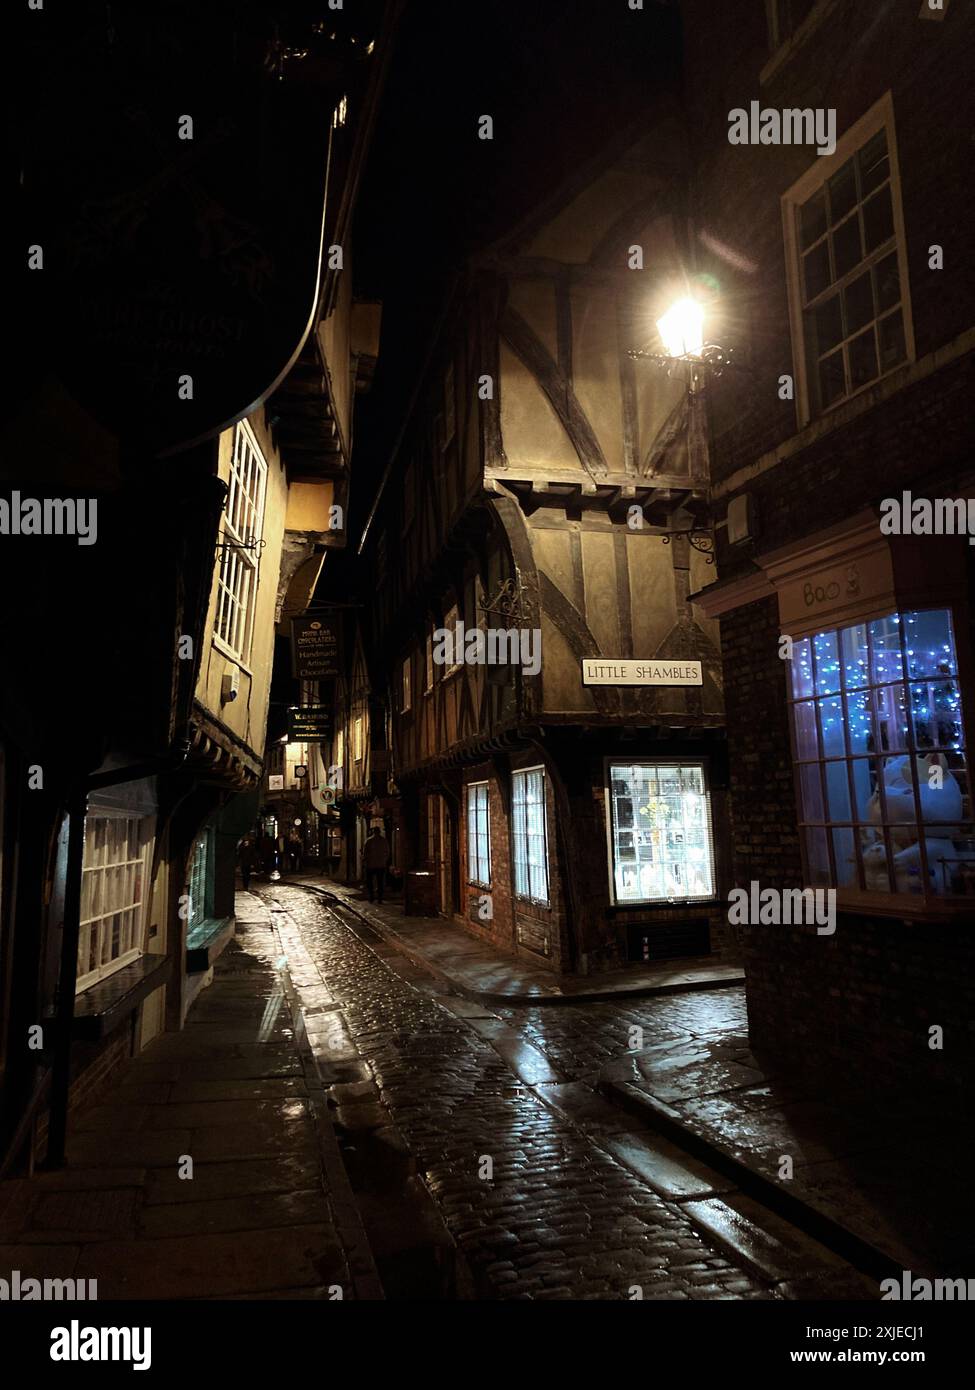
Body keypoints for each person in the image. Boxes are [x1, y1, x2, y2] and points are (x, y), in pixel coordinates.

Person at [363, 826, 391, 904]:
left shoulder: (369, 841)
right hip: (381, 864)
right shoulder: (384, 841)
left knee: (370, 882)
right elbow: (387, 852)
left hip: (371, 865)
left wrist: (366, 860)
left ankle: (371, 897)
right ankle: (380, 898)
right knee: (380, 882)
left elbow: (365, 853)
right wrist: (384, 860)